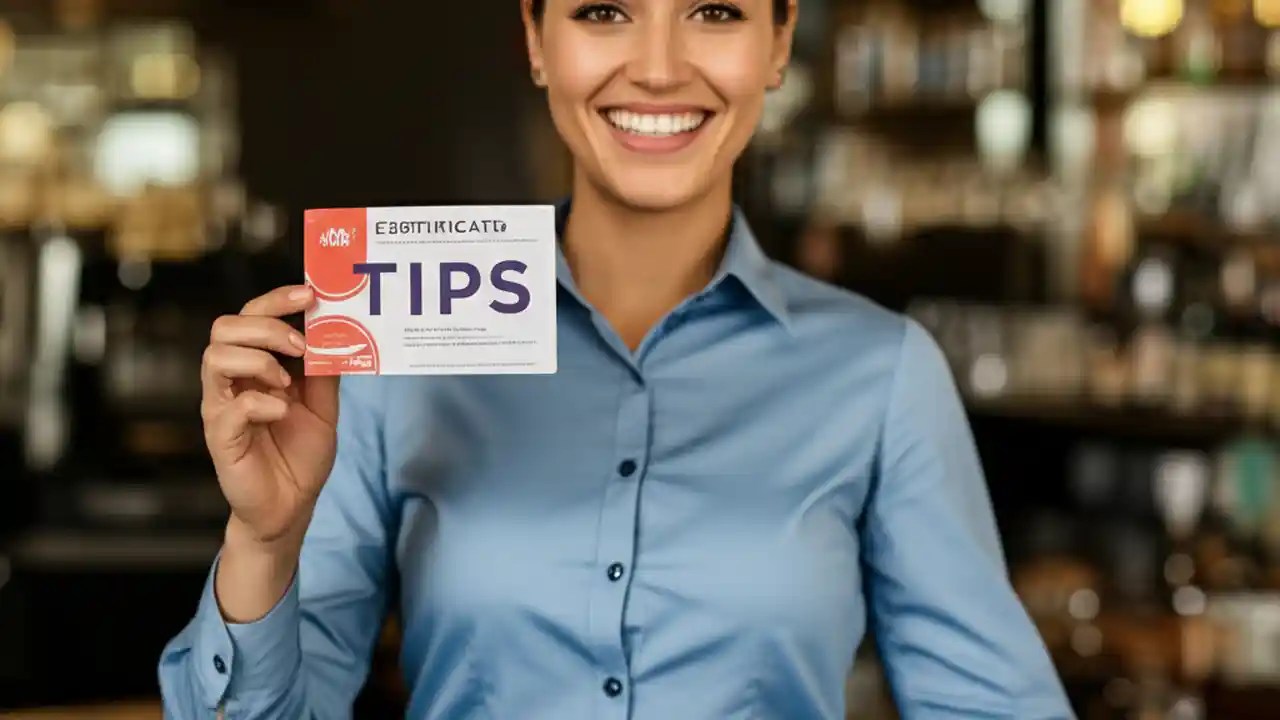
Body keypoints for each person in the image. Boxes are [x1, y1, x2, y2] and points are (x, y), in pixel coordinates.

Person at [159, 1, 1075, 718]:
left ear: (780, 41)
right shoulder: (397, 351)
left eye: (715, 11)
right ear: (535, 37)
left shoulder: (882, 375)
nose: (660, 67)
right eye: (603, 10)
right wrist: (266, 542)